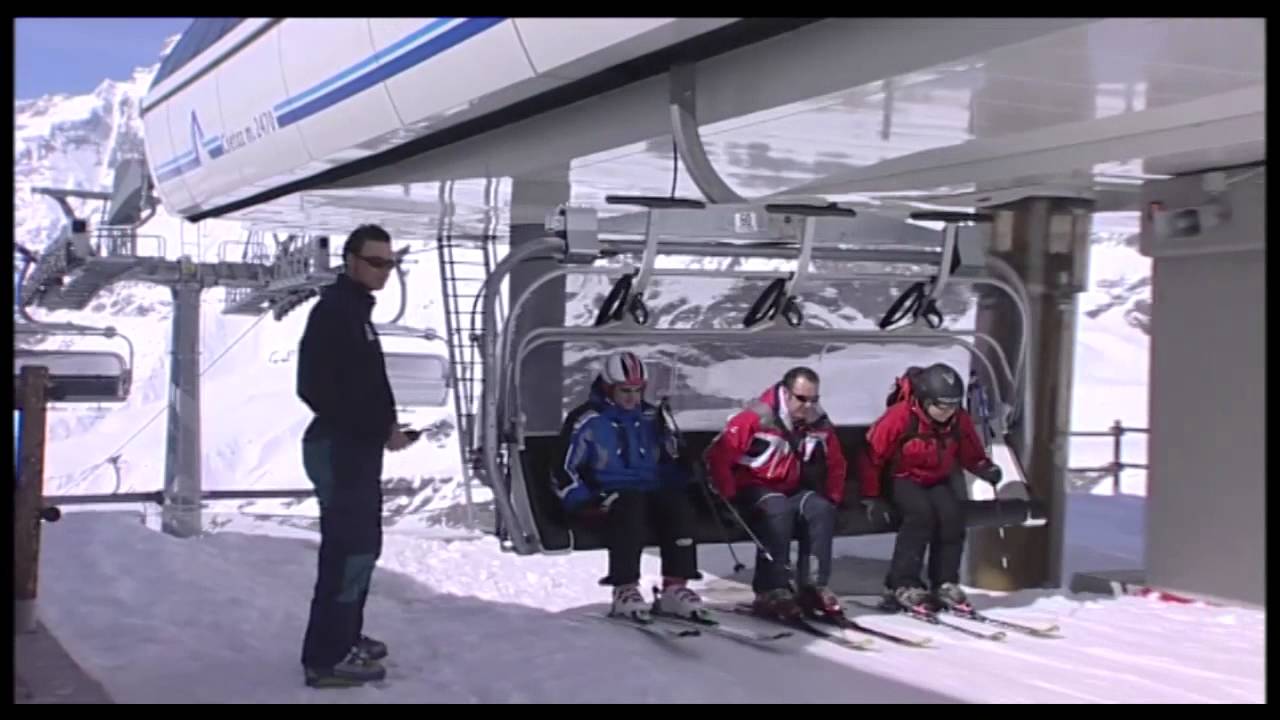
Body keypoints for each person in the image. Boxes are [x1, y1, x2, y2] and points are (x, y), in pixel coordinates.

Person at [296, 224, 417, 688]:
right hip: (341, 448)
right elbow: (314, 386)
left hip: (357, 447)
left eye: (389, 263)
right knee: (348, 551)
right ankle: (326, 656)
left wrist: (384, 428)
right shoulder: (336, 312)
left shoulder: (354, 311)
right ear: (350, 260)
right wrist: (372, 427)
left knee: (361, 548)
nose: (383, 271)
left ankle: (344, 635)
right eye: (375, 262)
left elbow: (360, 386)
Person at [555, 351, 705, 622]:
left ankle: (674, 587)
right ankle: (625, 588)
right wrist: (580, 500)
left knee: (678, 506)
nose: (632, 397)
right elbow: (563, 469)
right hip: (606, 494)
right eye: (625, 390)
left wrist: (684, 470)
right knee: (630, 506)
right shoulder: (587, 420)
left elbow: (665, 461)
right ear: (609, 387)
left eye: (637, 390)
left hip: (648, 489)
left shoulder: (650, 416)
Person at [858, 363, 1002, 614]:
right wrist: (871, 495)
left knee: (952, 516)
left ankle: (944, 581)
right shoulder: (900, 416)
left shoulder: (958, 419)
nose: (947, 412)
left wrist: (983, 467)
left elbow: (969, 449)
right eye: (941, 406)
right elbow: (872, 456)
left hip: (936, 478)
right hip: (902, 477)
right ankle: (901, 583)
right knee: (920, 515)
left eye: (953, 406)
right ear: (924, 400)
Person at [705, 366, 848, 621]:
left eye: (814, 399)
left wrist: (834, 495)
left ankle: (812, 586)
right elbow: (719, 456)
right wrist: (727, 498)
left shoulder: (818, 421)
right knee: (777, 509)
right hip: (752, 486)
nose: (808, 405)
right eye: (802, 399)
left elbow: (836, 461)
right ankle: (772, 589)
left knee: (820, 509)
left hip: (789, 486)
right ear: (786, 393)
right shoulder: (757, 417)